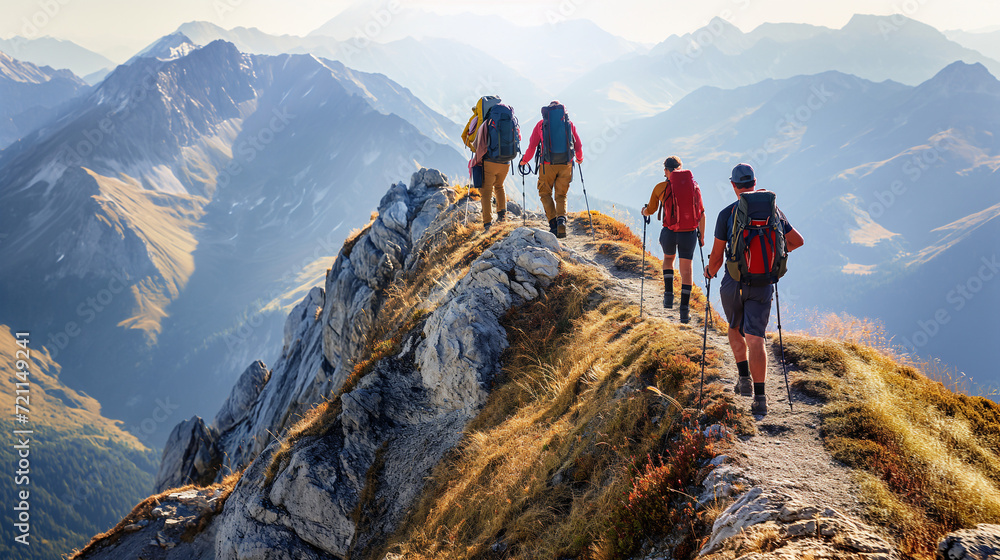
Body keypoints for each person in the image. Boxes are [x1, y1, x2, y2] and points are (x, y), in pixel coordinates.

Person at [704, 163, 804, 415]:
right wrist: (776, 256)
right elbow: (797, 242)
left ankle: (744, 379)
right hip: (763, 284)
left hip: (733, 283)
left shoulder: (728, 214)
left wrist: (709, 272)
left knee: (734, 328)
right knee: (756, 339)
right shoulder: (774, 212)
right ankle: (760, 399)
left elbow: (717, 257)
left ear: (733, 185)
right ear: (755, 182)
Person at [640, 156, 706, 323]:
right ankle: (684, 310)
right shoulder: (694, 186)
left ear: (666, 171)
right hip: (689, 234)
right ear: (681, 168)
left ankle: (668, 296)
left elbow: (652, 210)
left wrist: (644, 211)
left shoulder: (661, 187)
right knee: (687, 270)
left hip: (669, 232)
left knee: (668, 260)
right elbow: (702, 213)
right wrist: (702, 236)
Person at [519, 101, 583, 238]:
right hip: (566, 164)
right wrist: (580, 158)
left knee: (545, 193)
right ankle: (561, 221)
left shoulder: (541, 125)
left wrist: (524, 161)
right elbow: (578, 145)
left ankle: (553, 224)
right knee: (561, 195)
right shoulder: (569, 124)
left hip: (547, 165)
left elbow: (532, 147)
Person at [469, 100, 518, 230]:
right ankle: (502, 216)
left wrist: (477, 161)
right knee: (499, 186)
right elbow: (518, 139)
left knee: (486, 191)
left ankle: (487, 223)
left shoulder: (487, 123)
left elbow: (479, 144)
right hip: (506, 162)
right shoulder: (512, 122)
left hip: (491, 161)